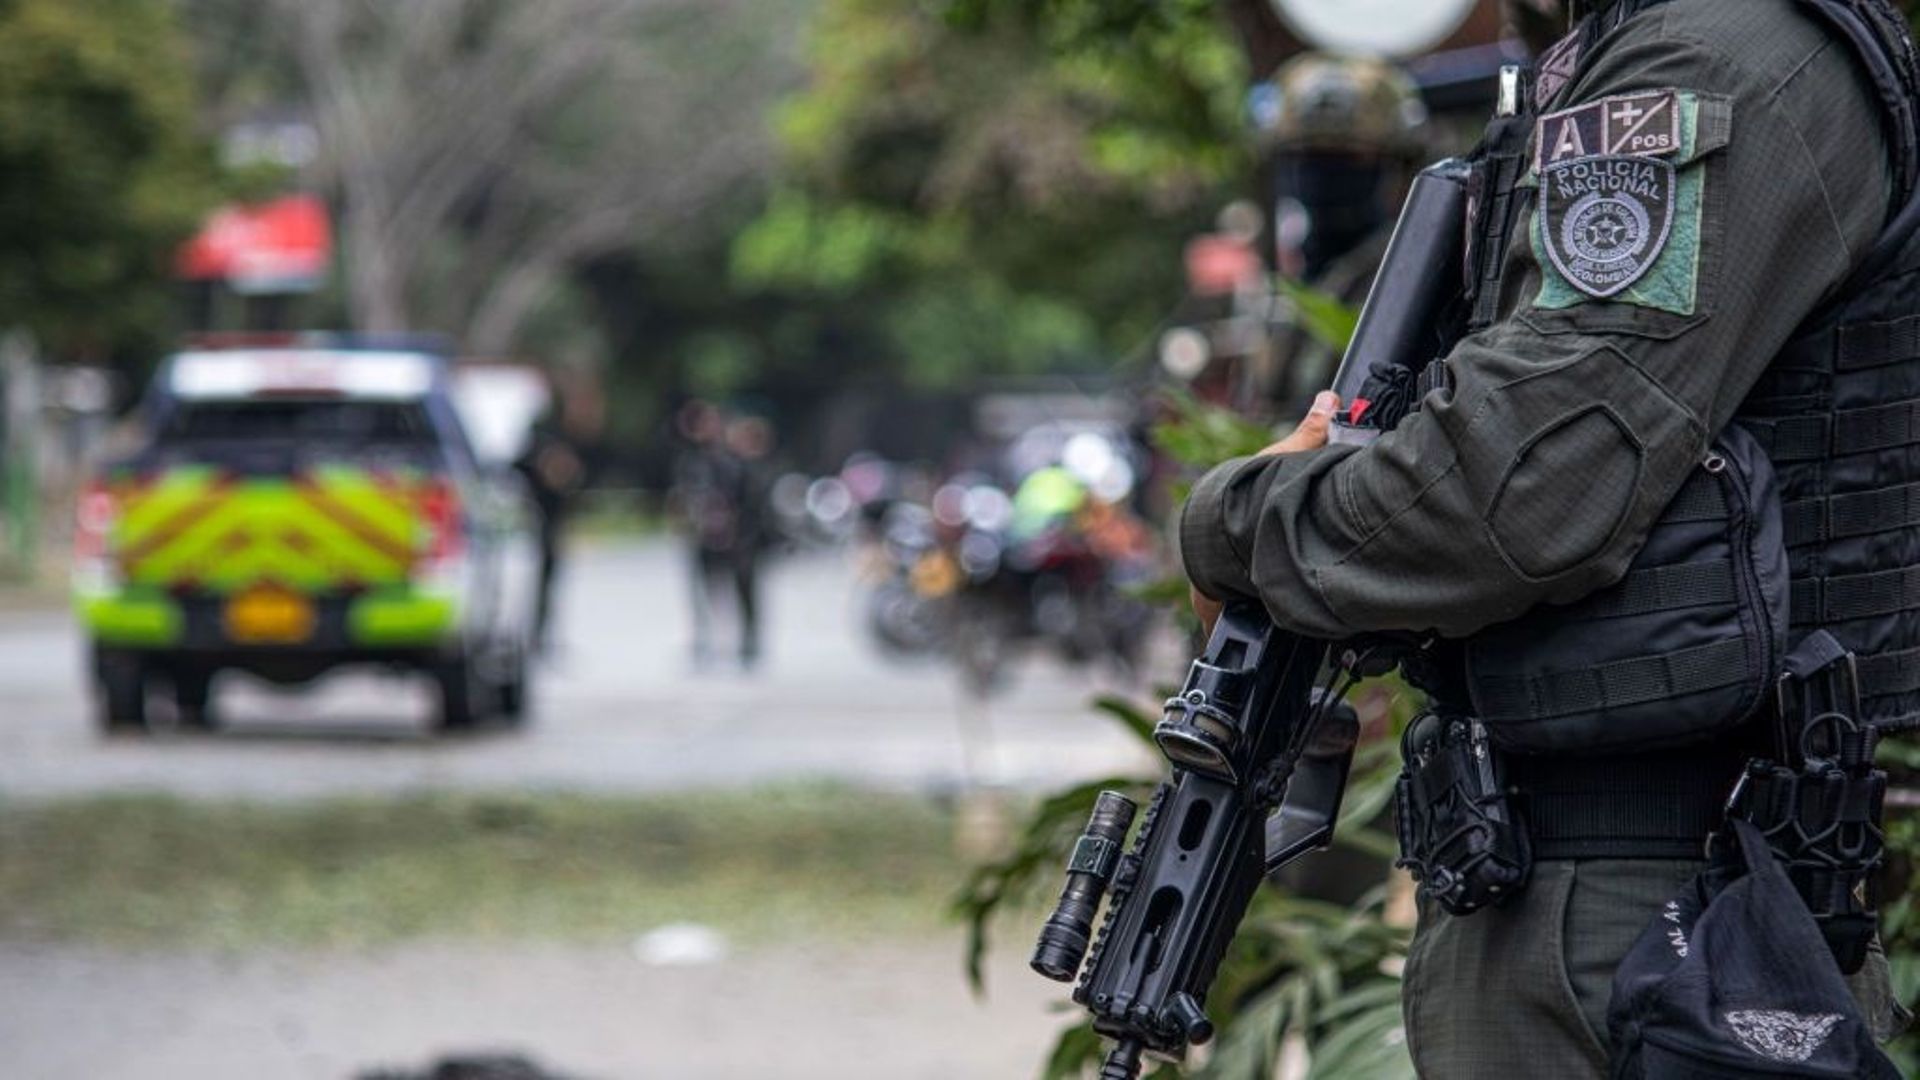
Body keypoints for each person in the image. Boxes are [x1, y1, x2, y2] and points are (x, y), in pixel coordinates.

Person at [1178, 1, 1915, 1075]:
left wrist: (1235, 527)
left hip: (1646, 914)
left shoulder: (1710, 54)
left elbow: (1520, 484)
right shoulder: (1653, 46)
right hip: (1606, 893)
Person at [1252, 52, 1427, 413]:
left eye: (1348, 157)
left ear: (1395, 167)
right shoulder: (1297, 284)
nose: (1322, 175)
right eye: (1307, 156)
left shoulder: (1409, 281)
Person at [511, 415, 585, 653]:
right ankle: (526, 636)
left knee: (548, 588)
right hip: (529, 530)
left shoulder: (569, 442)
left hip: (551, 530)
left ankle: (541, 635)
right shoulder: (537, 444)